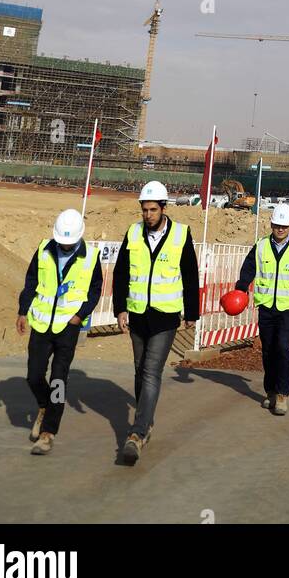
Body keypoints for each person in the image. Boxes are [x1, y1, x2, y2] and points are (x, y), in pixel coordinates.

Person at [112, 180, 200, 464]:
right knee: (140, 372)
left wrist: (192, 313)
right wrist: (120, 309)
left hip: (165, 316)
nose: (147, 215)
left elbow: (190, 275)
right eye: (144, 210)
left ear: (163, 208)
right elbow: (121, 273)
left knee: (151, 372)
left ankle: (136, 433)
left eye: (152, 209)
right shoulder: (133, 234)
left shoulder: (181, 235)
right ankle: (146, 420)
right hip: (138, 314)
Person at [16, 207, 103, 456]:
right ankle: (44, 407)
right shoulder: (44, 249)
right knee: (34, 376)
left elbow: (95, 290)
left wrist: (79, 316)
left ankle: (48, 433)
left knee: (58, 378)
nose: (64, 246)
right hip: (42, 324)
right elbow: (31, 282)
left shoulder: (90, 257)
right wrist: (23, 311)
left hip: (68, 327)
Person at [235, 203, 289, 415]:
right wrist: (241, 288)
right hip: (266, 306)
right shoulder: (261, 245)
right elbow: (249, 267)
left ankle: (282, 395)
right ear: (271, 224)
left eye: (284, 226)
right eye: (277, 225)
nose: (280, 229)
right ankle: (270, 391)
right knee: (269, 349)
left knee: (283, 347)